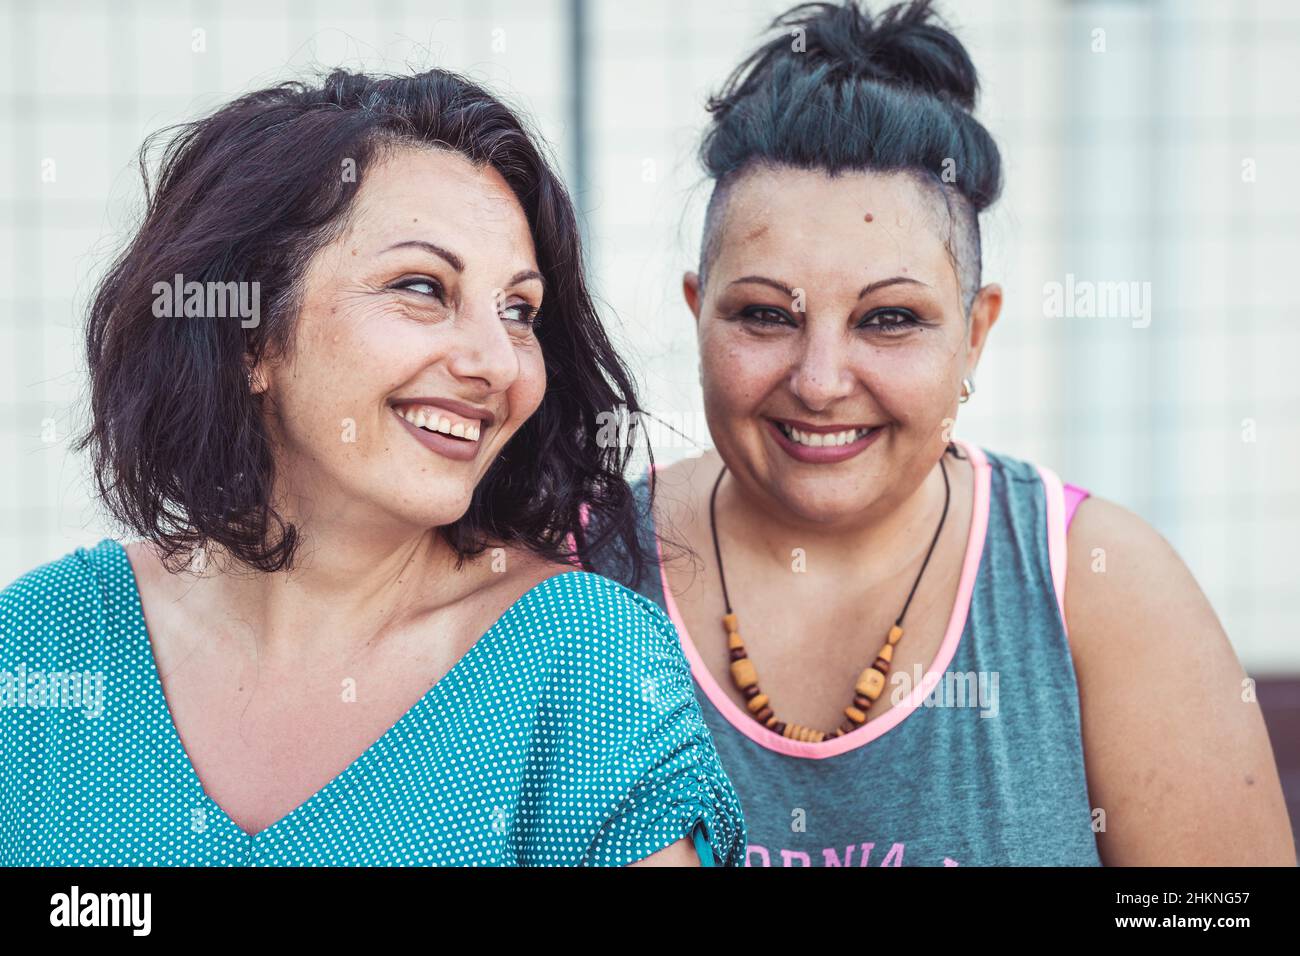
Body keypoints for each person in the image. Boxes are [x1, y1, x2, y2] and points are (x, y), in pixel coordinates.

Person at [580, 0, 1295, 865]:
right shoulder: (580, 573)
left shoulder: (1097, 585)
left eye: (889, 320)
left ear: (975, 333)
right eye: (766, 315)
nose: (820, 381)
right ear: (700, 317)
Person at [0, 68, 746, 866]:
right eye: (423, 288)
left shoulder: (586, 667)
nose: (498, 363)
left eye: (520, 311)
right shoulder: (43, 643)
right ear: (250, 335)